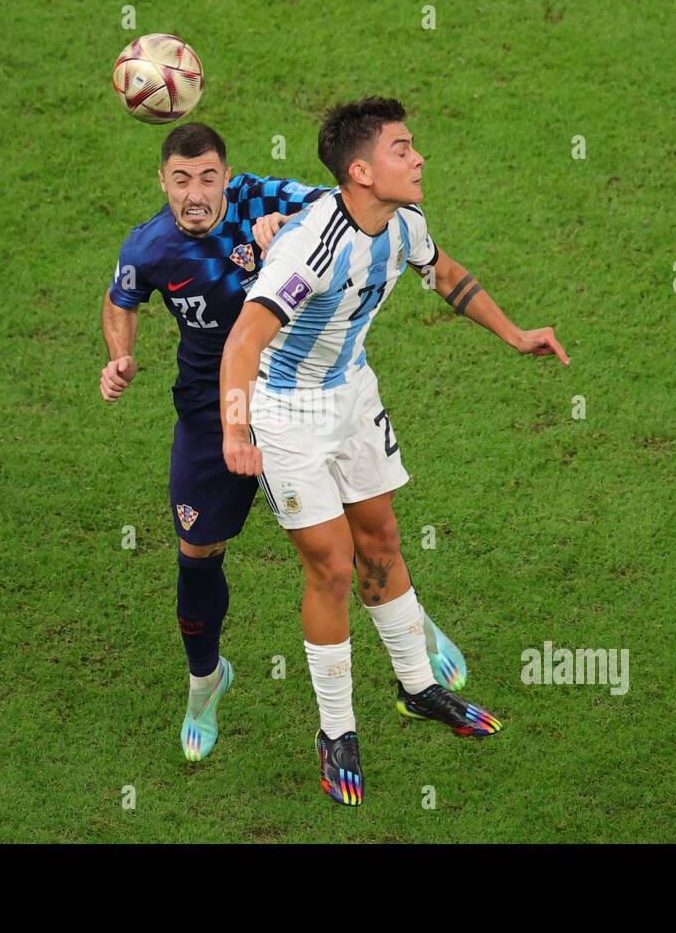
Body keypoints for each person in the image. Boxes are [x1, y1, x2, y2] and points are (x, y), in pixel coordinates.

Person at [219, 97, 570, 804]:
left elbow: (443, 273)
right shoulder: (310, 246)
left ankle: (418, 688)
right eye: (403, 149)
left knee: (381, 538)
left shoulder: (402, 222)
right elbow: (244, 342)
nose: (418, 159)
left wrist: (516, 334)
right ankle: (337, 731)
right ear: (361, 170)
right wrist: (235, 429)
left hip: (352, 396)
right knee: (333, 567)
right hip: (287, 415)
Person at [99, 121, 471, 764]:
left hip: (297, 401)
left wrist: (283, 225)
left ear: (228, 176)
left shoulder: (262, 196)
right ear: (162, 181)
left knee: (356, 538)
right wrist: (121, 357)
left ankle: (415, 637)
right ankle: (205, 680)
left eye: (208, 177)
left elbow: (342, 201)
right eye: (181, 180)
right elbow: (121, 299)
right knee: (198, 549)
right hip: (211, 416)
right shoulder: (149, 246)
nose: (196, 193)